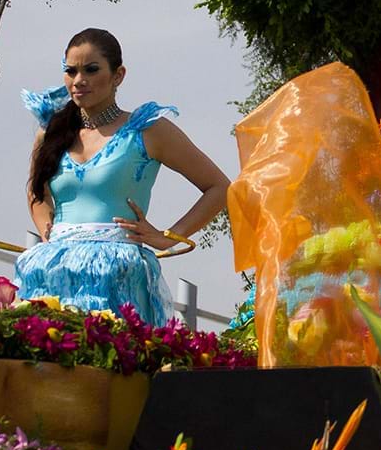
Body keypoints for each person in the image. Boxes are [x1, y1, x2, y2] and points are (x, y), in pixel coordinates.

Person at [18, 29, 229, 324]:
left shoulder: (147, 130)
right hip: (52, 273)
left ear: (118, 75)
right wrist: (47, 232)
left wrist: (167, 237)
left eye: (91, 70)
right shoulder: (50, 132)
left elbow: (219, 188)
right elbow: (36, 190)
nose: (79, 81)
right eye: (71, 71)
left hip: (117, 275)